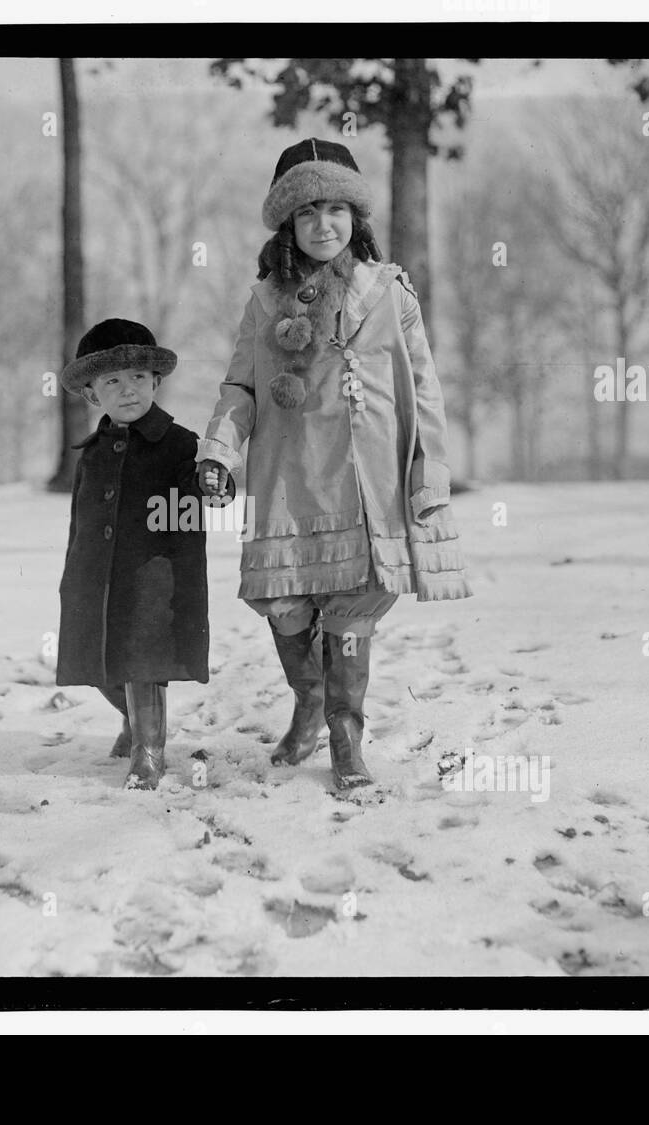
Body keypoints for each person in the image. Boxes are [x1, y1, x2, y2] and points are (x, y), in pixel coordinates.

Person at [197, 138, 471, 791]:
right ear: (287, 223)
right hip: (288, 481)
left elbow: (425, 390)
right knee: (285, 605)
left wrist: (428, 473)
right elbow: (239, 387)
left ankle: (345, 735)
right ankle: (310, 701)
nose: (324, 224)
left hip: (366, 483)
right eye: (307, 211)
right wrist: (217, 449)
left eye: (337, 209)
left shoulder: (390, 293)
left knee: (352, 612)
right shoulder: (265, 301)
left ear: (356, 217)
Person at [56, 318, 233, 790]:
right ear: (93, 395)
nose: (127, 390)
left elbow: (205, 491)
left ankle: (148, 751)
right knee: (96, 661)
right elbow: (81, 521)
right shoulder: (92, 452)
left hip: (156, 577)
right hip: (97, 577)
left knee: (142, 665)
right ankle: (134, 722)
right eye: (112, 381)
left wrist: (214, 483)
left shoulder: (179, 444)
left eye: (138, 378)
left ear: (156, 382)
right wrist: (75, 574)